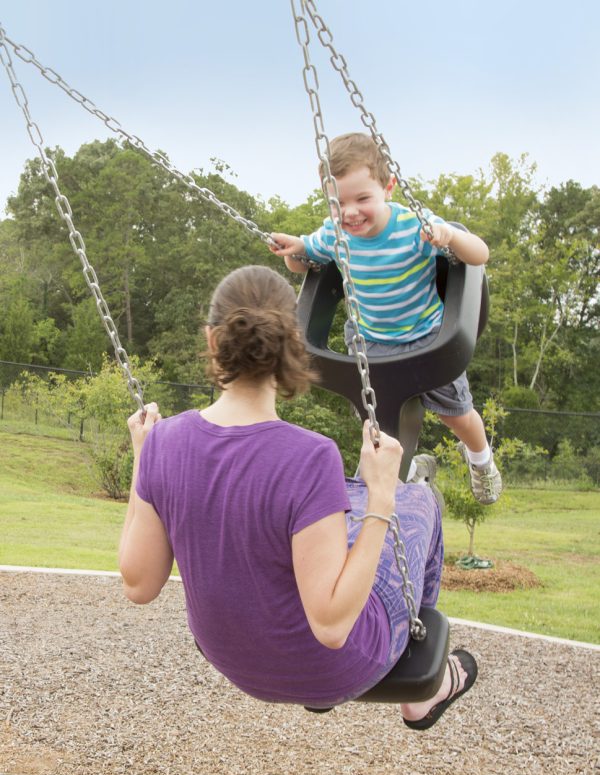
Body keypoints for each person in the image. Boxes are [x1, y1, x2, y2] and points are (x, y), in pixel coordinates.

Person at [119, 264, 477, 728]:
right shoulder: (309, 456)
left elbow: (139, 585)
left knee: (344, 500)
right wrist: (383, 496)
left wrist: (142, 461)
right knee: (416, 500)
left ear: (212, 340)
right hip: (336, 664)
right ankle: (419, 693)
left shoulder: (163, 442)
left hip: (238, 666)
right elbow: (330, 626)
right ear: (295, 345)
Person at [270, 132, 502, 505]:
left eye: (363, 199)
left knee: (457, 415)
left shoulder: (414, 227)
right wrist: (292, 249)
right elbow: (303, 264)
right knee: (378, 425)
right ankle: (409, 471)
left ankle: (481, 461)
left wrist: (449, 237)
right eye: (338, 202)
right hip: (371, 343)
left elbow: (480, 254)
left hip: (428, 340)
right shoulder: (334, 234)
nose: (350, 212)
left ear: (388, 187)